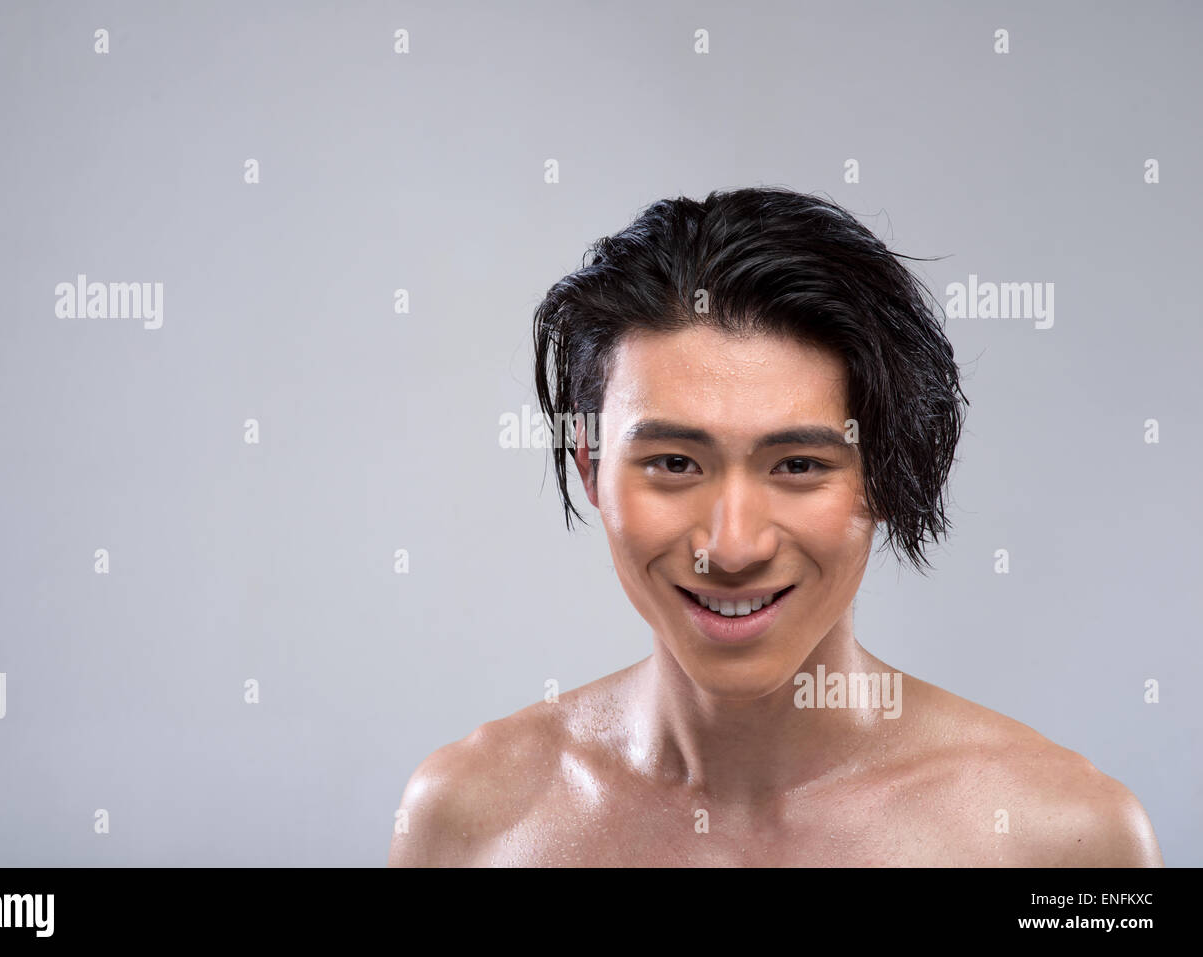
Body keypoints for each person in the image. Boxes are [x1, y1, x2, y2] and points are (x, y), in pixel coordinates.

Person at [388, 187, 1164, 866]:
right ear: (590, 466)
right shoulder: (470, 822)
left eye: (797, 465)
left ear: (886, 471)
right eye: (673, 462)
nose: (732, 546)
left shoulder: (1062, 838)